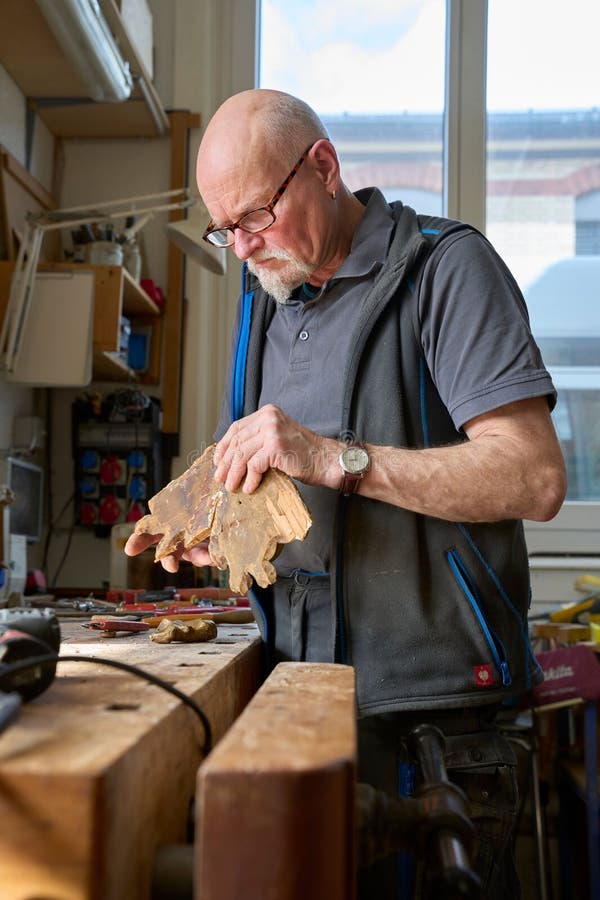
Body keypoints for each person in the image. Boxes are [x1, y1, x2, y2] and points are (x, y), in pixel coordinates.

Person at [126, 89, 567, 898]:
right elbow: (281, 490)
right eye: (226, 230)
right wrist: (220, 528)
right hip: (297, 696)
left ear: (323, 168)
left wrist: (337, 458)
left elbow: (533, 476)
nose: (244, 248)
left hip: (437, 720)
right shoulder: (266, 294)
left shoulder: (446, 268)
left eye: (256, 216)